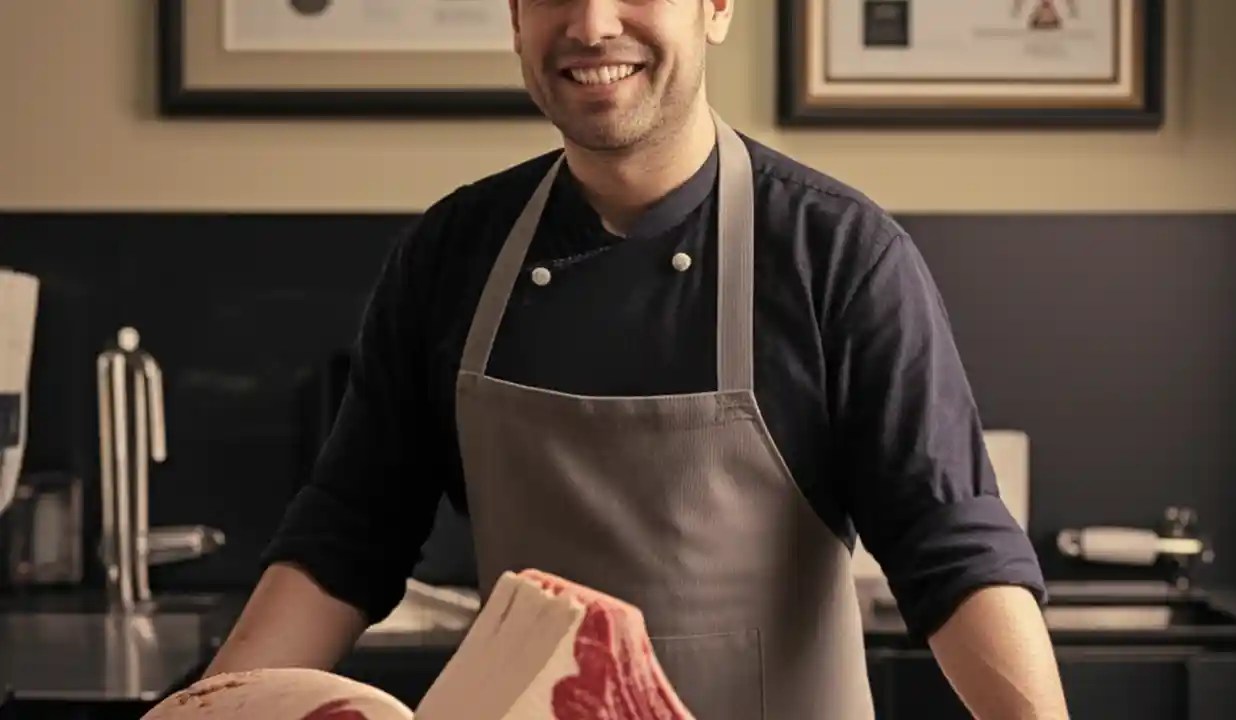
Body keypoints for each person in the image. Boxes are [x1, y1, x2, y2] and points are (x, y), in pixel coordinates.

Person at [204, 1, 1069, 717]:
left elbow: (954, 550)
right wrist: (218, 706)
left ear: (717, 7)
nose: (589, 24)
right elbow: (346, 537)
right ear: (513, 17)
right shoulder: (451, 254)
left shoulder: (838, 256)